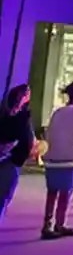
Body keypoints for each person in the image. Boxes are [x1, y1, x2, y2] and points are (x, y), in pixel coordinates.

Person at [41, 80, 73, 239]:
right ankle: (60, 224)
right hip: (68, 159)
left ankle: (47, 225)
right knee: (65, 193)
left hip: (51, 158)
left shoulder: (58, 111)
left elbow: (49, 133)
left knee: (52, 193)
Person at [0, 84, 34, 221]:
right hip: (8, 160)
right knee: (3, 195)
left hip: (14, 160)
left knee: (5, 196)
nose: (26, 96)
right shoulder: (13, 117)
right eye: (24, 94)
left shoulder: (23, 116)